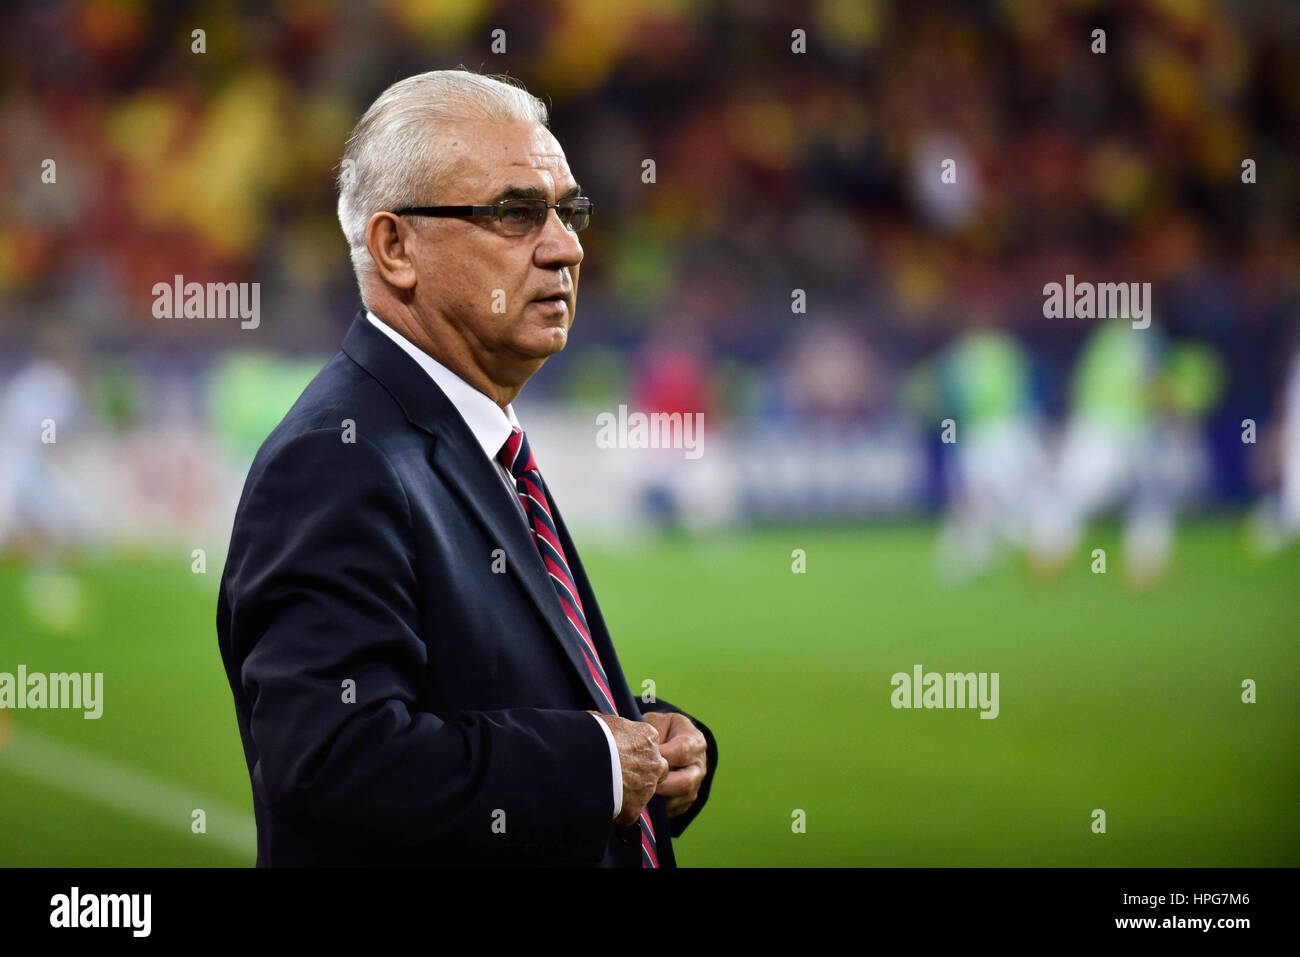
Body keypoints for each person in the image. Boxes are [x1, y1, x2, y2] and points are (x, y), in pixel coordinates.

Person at [217, 70, 717, 867]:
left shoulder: (470, 433)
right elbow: (332, 759)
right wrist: (591, 763)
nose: (567, 246)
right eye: (515, 213)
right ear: (395, 247)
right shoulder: (336, 459)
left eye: (569, 210)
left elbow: (482, 693)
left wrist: (647, 744)